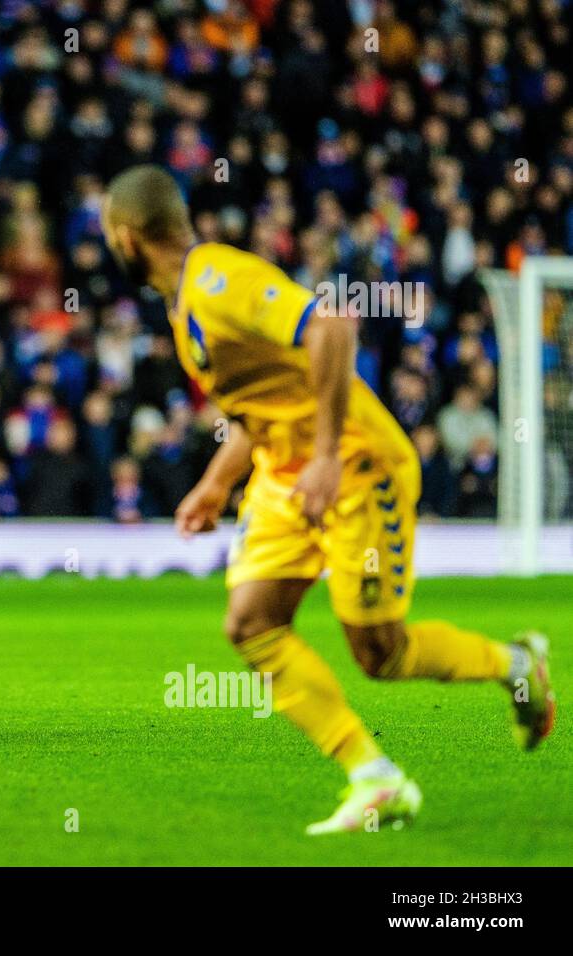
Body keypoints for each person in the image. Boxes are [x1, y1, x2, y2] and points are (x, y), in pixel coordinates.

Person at [101, 165, 555, 834]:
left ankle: (518, 665)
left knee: (381, 655)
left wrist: (322, 458)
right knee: (251, 623)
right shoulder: (183, 306)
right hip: (285, 474)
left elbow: (333, 329)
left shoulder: (217, 280)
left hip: (356, 466)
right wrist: (218, 482)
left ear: (127, 235)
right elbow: (262, 406)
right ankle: (375, 778)